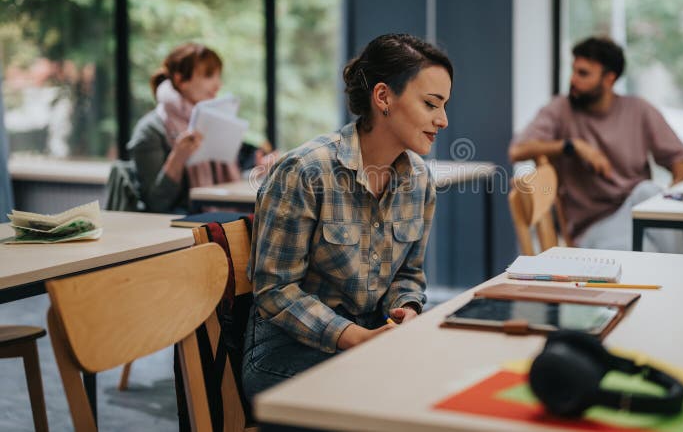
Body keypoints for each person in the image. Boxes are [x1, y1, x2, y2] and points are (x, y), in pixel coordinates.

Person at [242, 33, 453, 397]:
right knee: (400, 391)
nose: (444, 120)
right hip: (286, 350)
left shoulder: (419, 181)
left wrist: (405, 309)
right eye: (432, 104)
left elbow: (408, 274)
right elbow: (274, 288)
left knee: (450, 375)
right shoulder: (306, 171)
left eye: (444, 105)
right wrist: (355, 338)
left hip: (372, 337)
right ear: (383, 97)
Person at [508, 36, 683, 252]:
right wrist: (572, 145)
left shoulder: (639, 110)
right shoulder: (560, 110)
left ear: (609, 79)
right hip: (593, 228)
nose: (573, 80)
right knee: (652, 250)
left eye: (583, 73)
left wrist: (671, 196)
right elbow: (517, 150)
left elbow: (681, 161)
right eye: (574, 71)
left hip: (634, 211)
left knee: (649, 193)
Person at [127, 42, 273, 213]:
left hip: (214, 222)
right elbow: (156, 203)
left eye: (219, 76)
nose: (218, 85)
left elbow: (221, 187)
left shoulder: (212, 121)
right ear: (180, 79)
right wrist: (178, 158)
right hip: (182, 227)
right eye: (209, 75)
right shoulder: (150, 130)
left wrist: (259, 171)